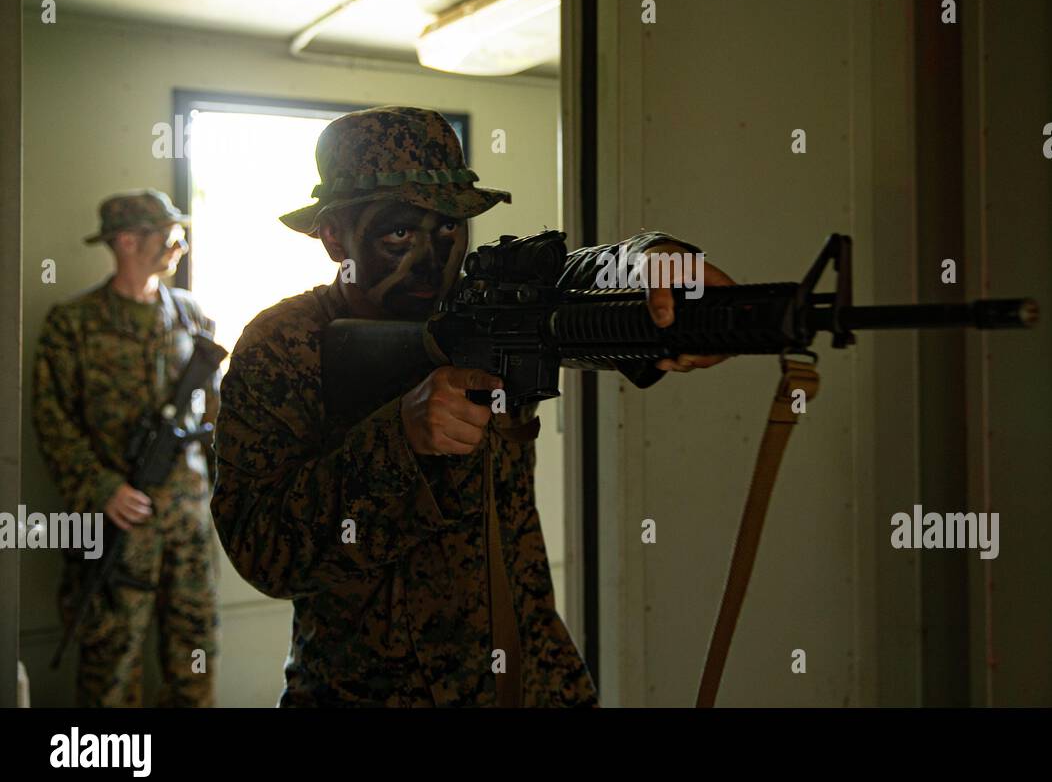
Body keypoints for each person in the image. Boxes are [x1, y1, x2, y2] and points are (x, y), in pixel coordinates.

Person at [212, 105, 731, 706]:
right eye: (400, 233)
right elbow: (263, 552)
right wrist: (398, 439)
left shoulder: (486, 306)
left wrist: (651, 262)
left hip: (531, 685)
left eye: (448, 230)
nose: (434, 262)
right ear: (334, 236)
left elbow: (574, 274)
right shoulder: (283, 344)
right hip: (359, 694)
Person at [32, 189, 222, 707]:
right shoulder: (73, 324)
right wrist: (101, 487)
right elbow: (52, 420)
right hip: (116, 525)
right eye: (169, 235)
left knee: (196, 654)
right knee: (110, 665)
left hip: (186, 520)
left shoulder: (189, 316)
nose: (179, 244)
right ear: (128, 241)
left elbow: (214, 414)